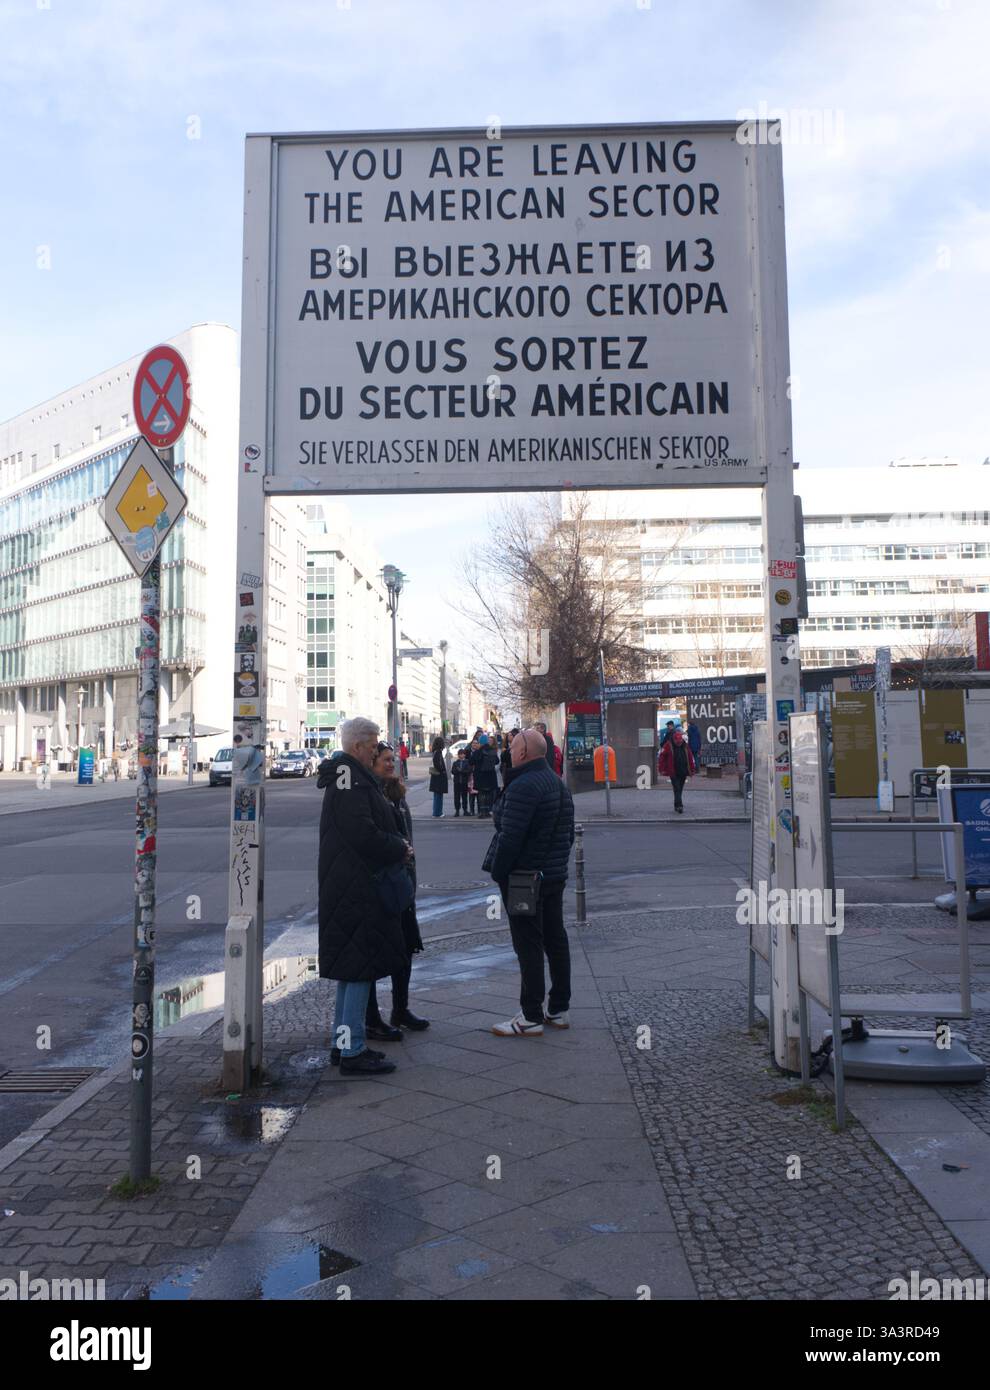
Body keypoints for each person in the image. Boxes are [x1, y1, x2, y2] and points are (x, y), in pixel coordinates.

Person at [316, 716, 411, 1075]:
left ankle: (344, 1046)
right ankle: (353, 1050)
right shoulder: (350, 779)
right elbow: (363, 834)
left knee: (351, 970)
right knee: (357, 971)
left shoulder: (349, 775)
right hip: (356, 888)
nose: (377, 749)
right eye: (373, 744)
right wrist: (398, 846)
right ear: (357, 747)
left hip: (349, 886)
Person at [488, 727, 575, 1036]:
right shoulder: (556, 782)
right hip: (553, 876)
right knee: (555, 939)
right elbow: (567, 835)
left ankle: (530, 1015)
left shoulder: (524, 785)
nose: (509, 752)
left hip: (524, 879)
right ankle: (559, 1009)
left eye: (512, 748)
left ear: (523, 753)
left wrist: (499, 873)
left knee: (528, 944)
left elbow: (510, 838)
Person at [363, 741, 429, 1038]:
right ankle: (372, 1017)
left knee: (404, 949)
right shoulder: (372, 795)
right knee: (376, 954)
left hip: (402, 884)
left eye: (393, 760)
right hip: (383, 887)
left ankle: (400, 1009)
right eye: (385, 760)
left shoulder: (396, 795)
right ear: (372, 763)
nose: (391, 764)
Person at [658, 725, 696, 813]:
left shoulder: (685, 746)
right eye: (677, 741)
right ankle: (679, 806)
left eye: (680, 741)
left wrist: (692, 769)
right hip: (673, 771)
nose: (678, 743)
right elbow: (662, 757)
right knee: (677, 788)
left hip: (683, 771)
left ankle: (676, 805)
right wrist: (661, 769)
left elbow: (690, 757)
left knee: (679, 789)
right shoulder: (668, 745)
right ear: (674, 739)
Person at [471, 733, 499, 818]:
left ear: (480, 742)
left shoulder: (478, 751)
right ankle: (487, 811)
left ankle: (482, 811)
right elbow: (497, 761)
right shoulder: (492, 750)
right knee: (488, 793)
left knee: (481, 793)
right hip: (490, 775)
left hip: (480, 775)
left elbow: (471, 761)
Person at [429, 734, 448, 817]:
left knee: (437, 795)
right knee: (438, 795)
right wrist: (442, 770)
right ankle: (437, 812)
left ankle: (437, 812)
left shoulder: (435, 752)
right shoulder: (438, 753)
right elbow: (438, 764)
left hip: (436, 776)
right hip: (438, 776)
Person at [452, 746, 471, 816]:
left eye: (462, 754)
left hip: (464, 782)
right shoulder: (455, 763)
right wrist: (457, 770)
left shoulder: (467, 762)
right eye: (460, 754)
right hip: (457, 783)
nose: (461, 755)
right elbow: (453, 771)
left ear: (464, 755)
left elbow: (468, 771)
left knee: (464, 797)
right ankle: (457, 810)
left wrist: (461, 771)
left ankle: (465, 810)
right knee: (456, 797)